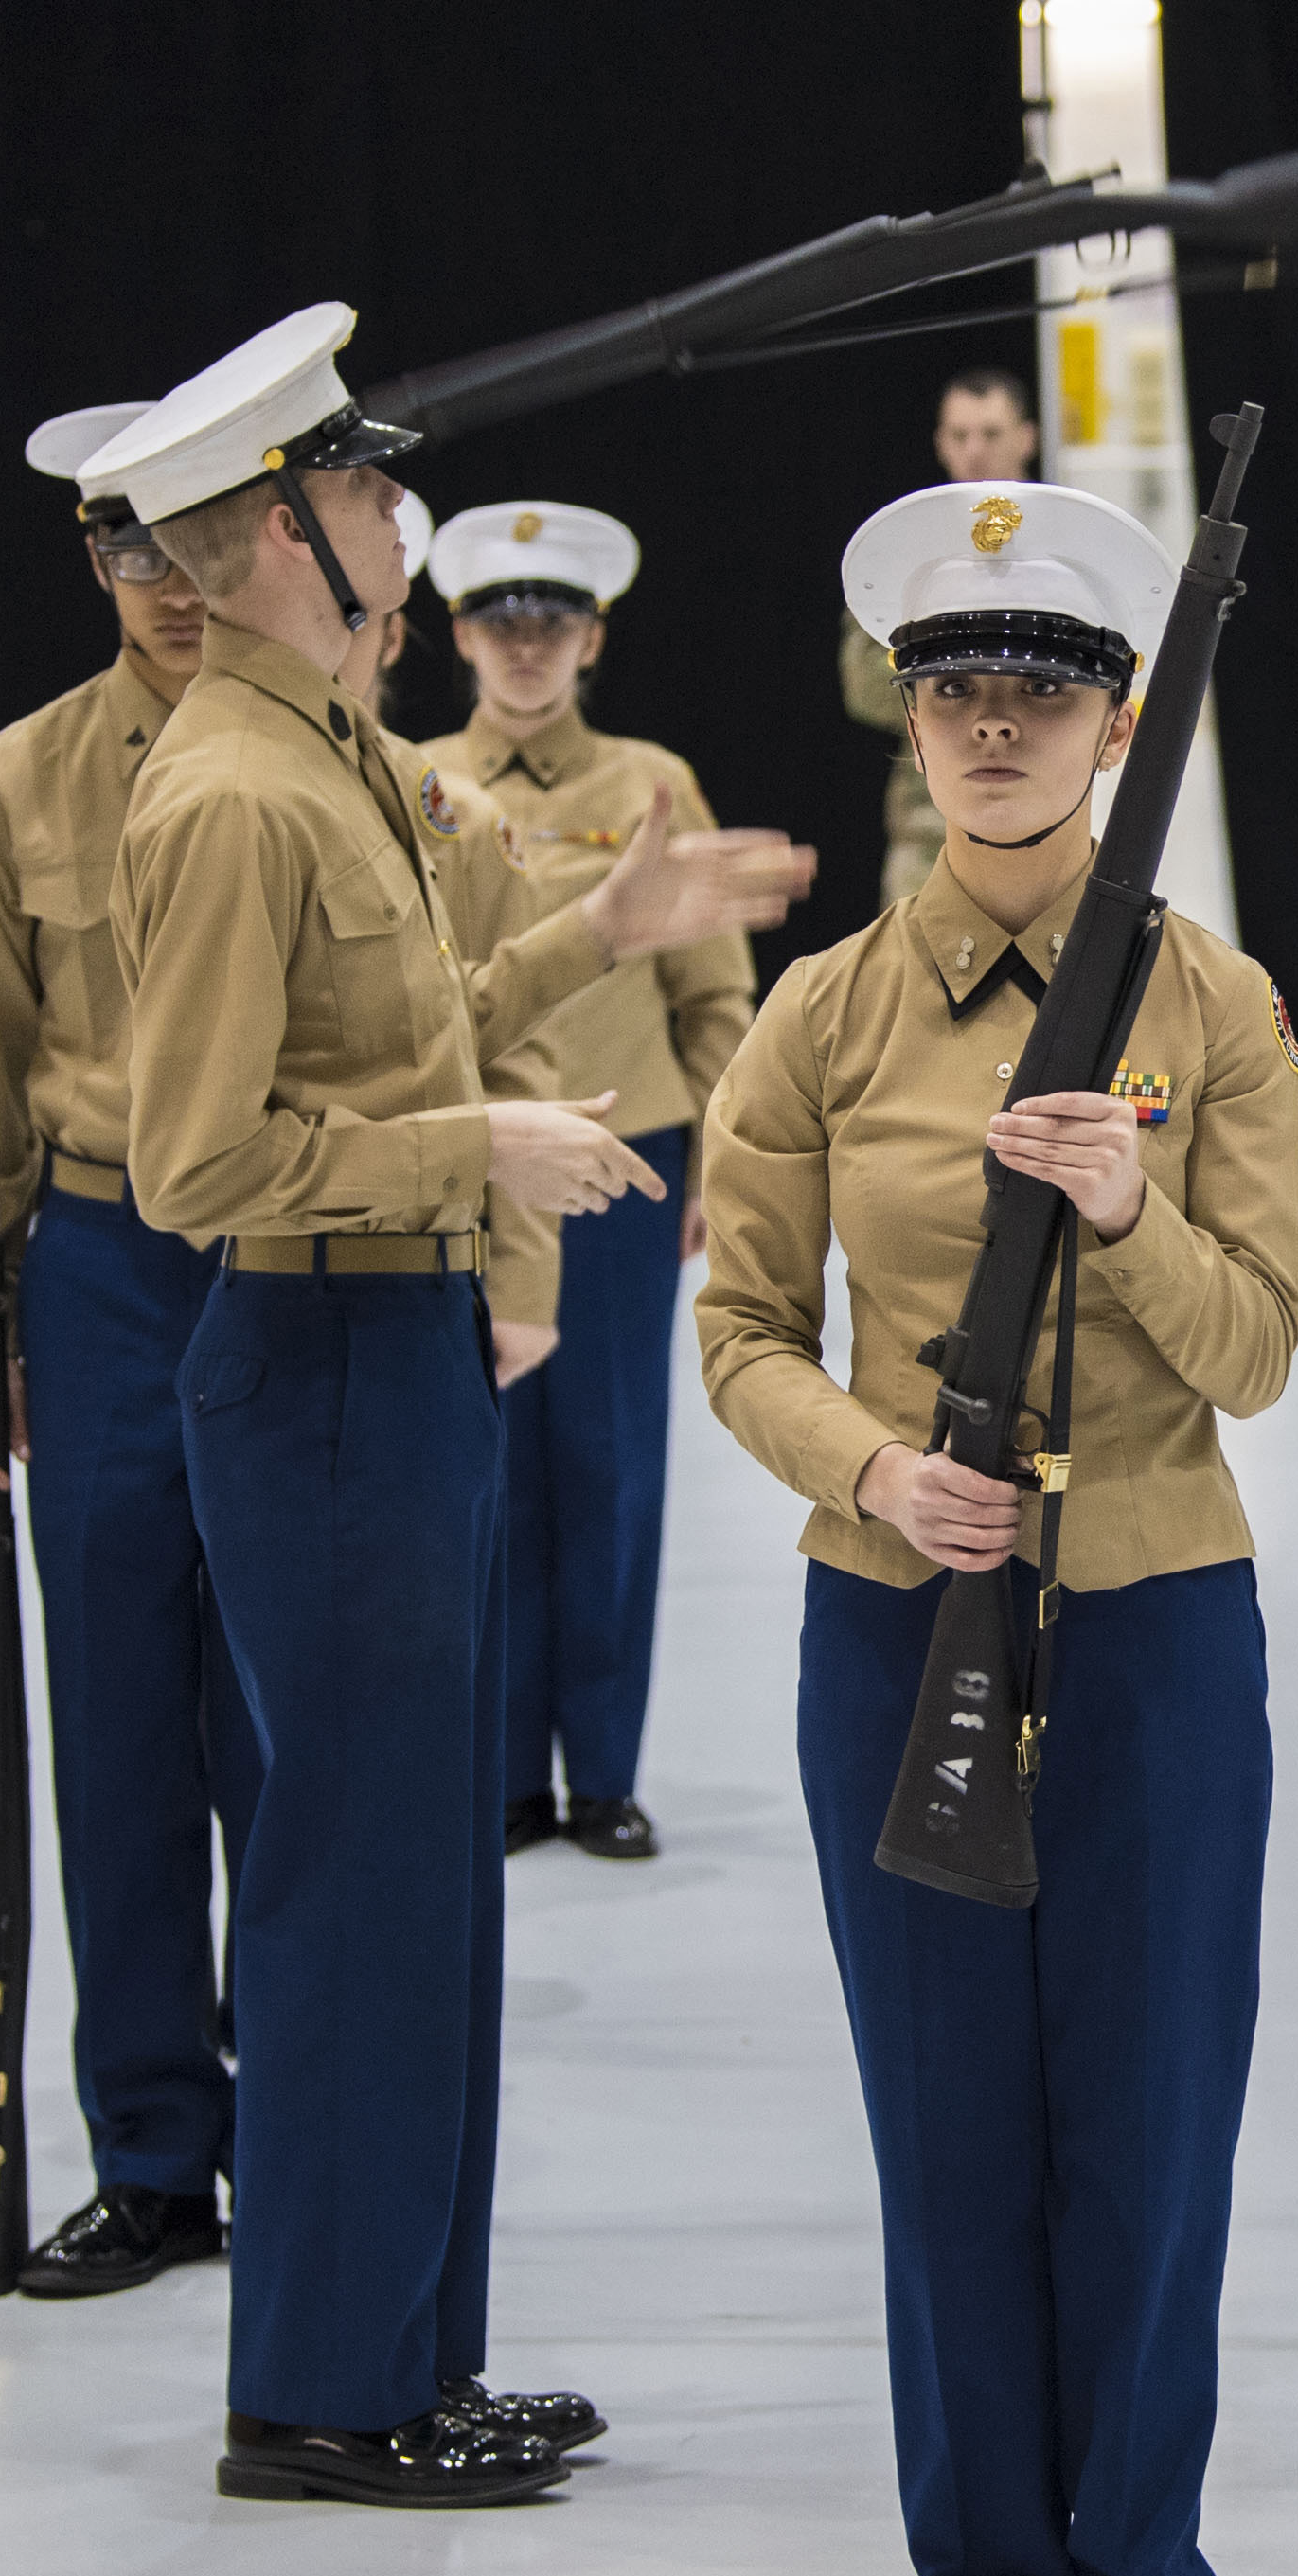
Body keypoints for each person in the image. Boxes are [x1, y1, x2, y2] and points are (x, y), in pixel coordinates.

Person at [81, 305, 813, 2508]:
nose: (404, 509)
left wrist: (597, 931)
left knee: (425, 1889)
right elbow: (193, 1160)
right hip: (314, 1361)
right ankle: (316, 2385)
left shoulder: (329, 752)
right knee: (350, 1881)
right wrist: (464, 1154)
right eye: (371, 482)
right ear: (284, 528)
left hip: (384, 1357)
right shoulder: (226, 788)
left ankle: (405, 2347)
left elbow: (406, 1030)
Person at [701, 479, 1298, 2576]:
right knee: (949, 2158)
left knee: (1139, 2157)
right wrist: (863, 1468)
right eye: (951, 690)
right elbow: (739, 1327)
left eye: (1034, 690)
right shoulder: (825, 1013)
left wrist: (1132, 1214)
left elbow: (1254, 1354)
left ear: (1111, 722)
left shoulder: (1211, 1008)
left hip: (1152, 1632)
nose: (986, 730)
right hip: (898, 1633)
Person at [0, 400, 260, 2300]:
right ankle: (153, 2150)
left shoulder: (340, 751)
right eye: (129, 552)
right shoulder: (16, 784)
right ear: (91, 562)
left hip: (298, 1253)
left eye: (198, 544)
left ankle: (310, 2125)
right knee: (119, 1727)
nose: (167, 589)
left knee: (288, 1728)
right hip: (107, 1270)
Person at [427, 502, 760, 1863]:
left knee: (612, 1463)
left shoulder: (649, 786)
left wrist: (717, 1172)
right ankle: (504, 1770)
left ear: (592, 639)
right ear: (454, 634)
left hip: (630, 1171)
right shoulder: (418, 782)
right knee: (485, 1465)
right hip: (475, 1166)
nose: (523, 648)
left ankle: (604, 1772)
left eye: (549, 623)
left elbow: (717, 997)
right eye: (499, 622)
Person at [841, 365, 1039, 905]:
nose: (975, 451)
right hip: (933, 827)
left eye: (992, 434)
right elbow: (863, 687)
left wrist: (945, 672)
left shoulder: (1063, 549)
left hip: (1051, 818)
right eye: (960, 435)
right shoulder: (904, 553)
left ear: (1026, 438)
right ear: (940, 445)